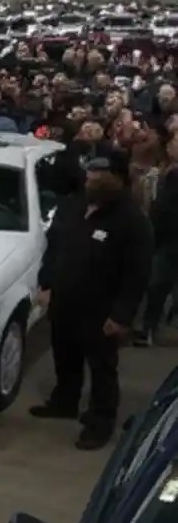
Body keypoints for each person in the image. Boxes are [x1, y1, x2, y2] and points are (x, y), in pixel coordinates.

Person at [32, 149, 153, 451]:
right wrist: (46, 285)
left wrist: (122, 316)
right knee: (65, 354)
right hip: (64, 300)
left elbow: (137, 273)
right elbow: (55, 247)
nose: (92, 177)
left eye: (100, 172)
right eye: (90, 171)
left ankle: (99, 423)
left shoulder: (131, 220)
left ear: (117, 177)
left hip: (100, 309)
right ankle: (64, 401)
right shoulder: (73, 206)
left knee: (101, 368)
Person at [138, 131, 178, 347]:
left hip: (169, 240)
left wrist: (155, 235)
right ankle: (150, 328)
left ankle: (149, 329)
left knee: (157, 285)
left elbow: (165, 210)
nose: (171, 146)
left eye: (175, 143)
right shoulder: (167, 171)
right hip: (168, 239)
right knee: (158, 287)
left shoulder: (173, 176)